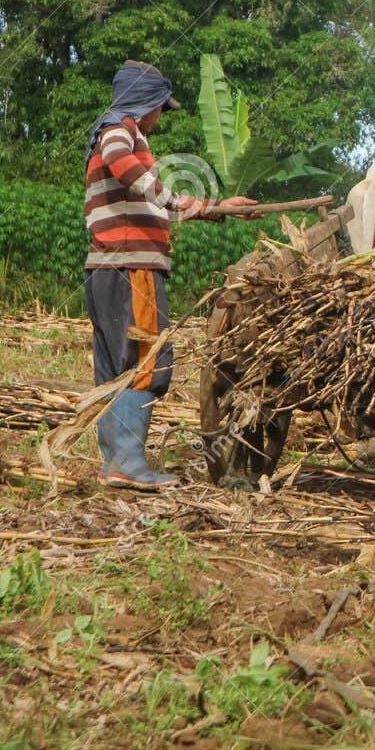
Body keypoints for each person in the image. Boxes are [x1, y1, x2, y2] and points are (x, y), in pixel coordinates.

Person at [83, 60, 255, 490]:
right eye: (160, 106)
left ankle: (116, 463)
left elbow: (152, 202)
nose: (161, 115)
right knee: (146, 361)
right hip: (132, 268)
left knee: (117, 366)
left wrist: (215, 208)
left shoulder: (118, 133)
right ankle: (127, 462)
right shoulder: (119, 130)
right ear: (146, 103)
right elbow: (125, 166)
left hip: (107, 269)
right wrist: (175, 199)